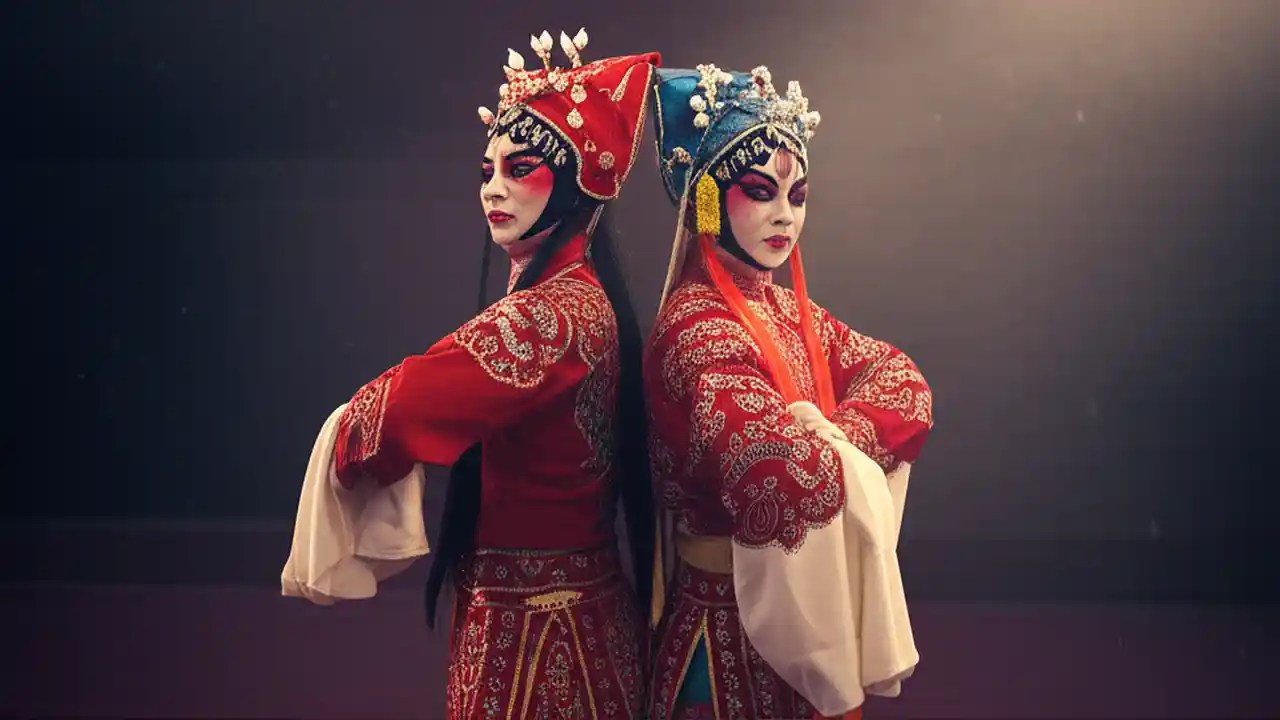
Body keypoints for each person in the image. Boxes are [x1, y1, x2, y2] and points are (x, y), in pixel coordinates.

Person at [281, 28, 661, 719]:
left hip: (539, 643)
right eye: (487, 170)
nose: (494, 188)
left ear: (578, 180)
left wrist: (347, 437)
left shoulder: (555, 319)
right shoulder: (577, 301)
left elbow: (402, 408)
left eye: (520, 168)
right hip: (581, 616)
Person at [643, 64, 935, 720]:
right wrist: (845, 449)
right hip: (726, 633)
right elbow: (770, 469)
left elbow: (904, 384)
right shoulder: (696, 326)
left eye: (797, 195)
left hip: (802, 622)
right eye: (760, 191)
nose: (784, 215)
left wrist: (835, 435)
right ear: (712, 199)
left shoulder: (790, 313)